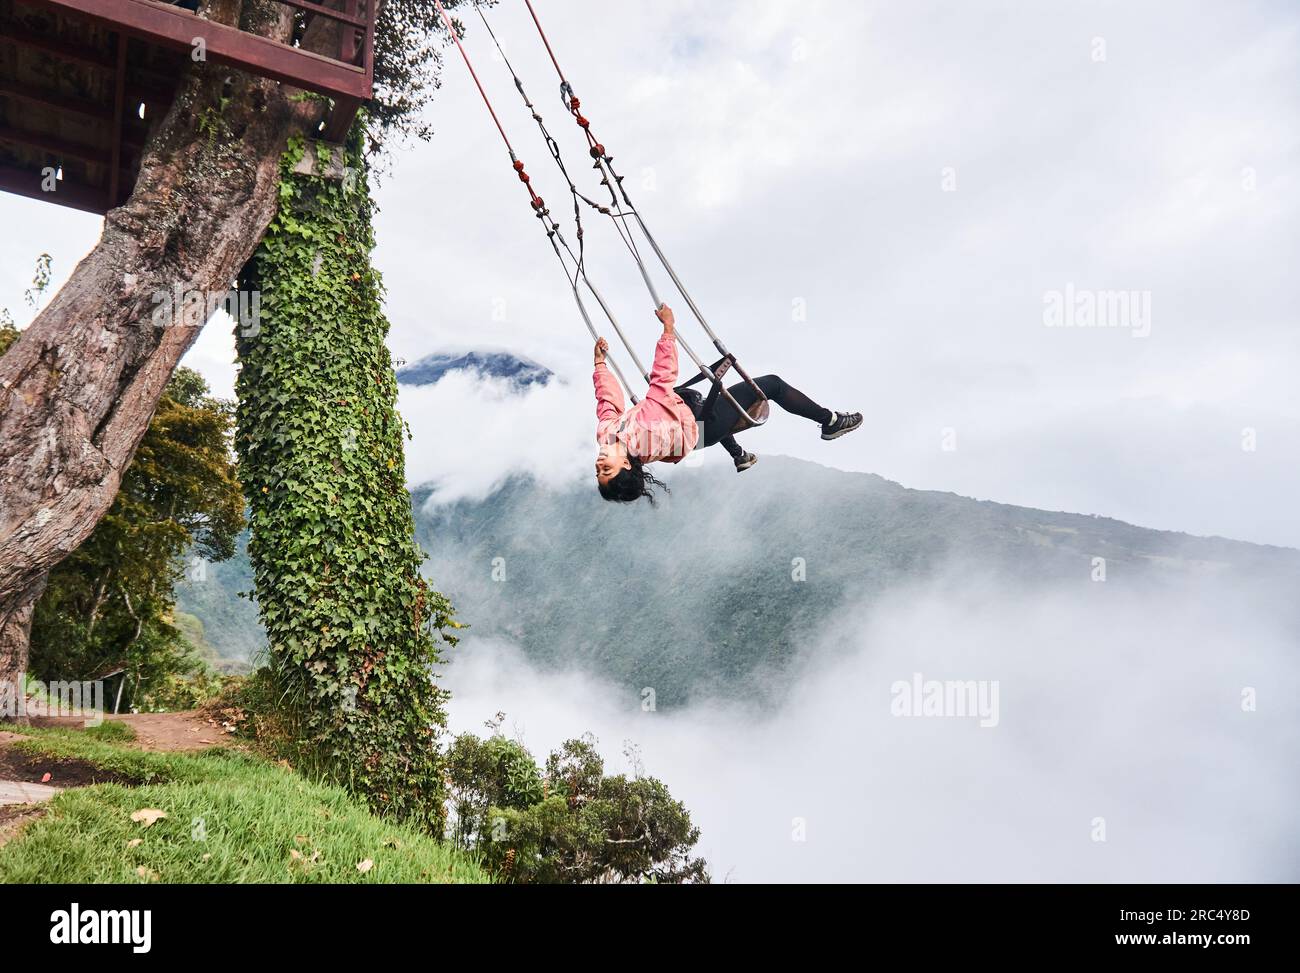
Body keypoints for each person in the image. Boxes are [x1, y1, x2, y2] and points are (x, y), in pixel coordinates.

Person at [594, 305, 862, 504]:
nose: (599, 464)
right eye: (607, 469)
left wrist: (599, 364)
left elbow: (607, 403)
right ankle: (831, 422)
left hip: (687, 427)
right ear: (626, 465)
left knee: (703, 403)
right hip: (700, 428)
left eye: (598, 470)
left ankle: (738, 454)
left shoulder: (608, 436)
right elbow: (661, 381)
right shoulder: (645, 432)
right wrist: (668, 330)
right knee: (772, 385)